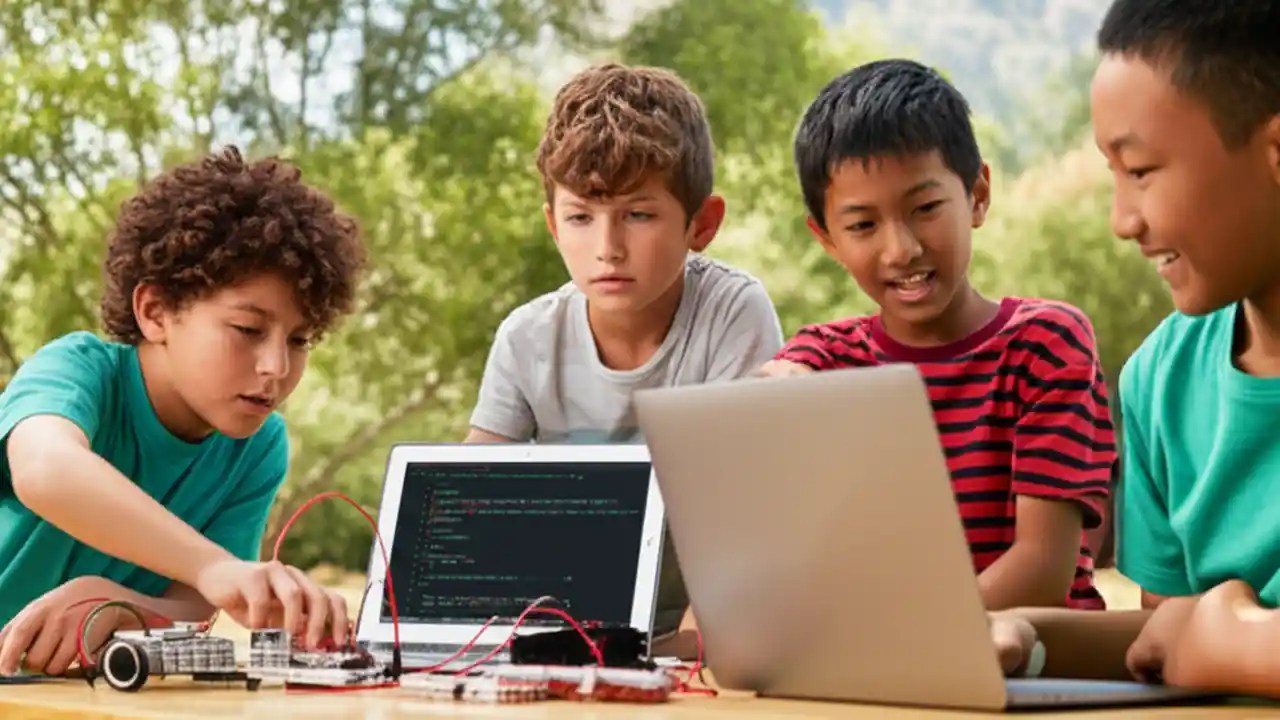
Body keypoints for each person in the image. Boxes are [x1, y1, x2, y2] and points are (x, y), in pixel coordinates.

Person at [992, 0, 1280, 692]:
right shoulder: (1159, 378)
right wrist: (1031, 636)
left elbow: (1216, 641)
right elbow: (1173, 638)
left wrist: (1240, 647)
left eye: (1143, 170)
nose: (1123, 220)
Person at [759, 59, 1116, 612]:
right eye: (862, 226)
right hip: (878, 672)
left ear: (977, 195)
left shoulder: (1044, 344)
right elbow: (781, 387)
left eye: (924, 208)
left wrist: (908, 640)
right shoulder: (826, 358)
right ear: (826, 238)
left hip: (1030, 662)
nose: (900, 249)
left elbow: (1043, 569)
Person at [0, 147, 366, 677]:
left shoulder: (258, 447)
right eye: (247, 330)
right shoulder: (81, 372)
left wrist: (111, 603)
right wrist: (217, 566)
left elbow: (191, 607)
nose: (276, 366)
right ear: (155, 312)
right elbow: (46, 470)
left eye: (301, 338)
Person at [464, 63, 784, 638]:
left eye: (638, 215)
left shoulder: (733, 313)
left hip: (702, 628)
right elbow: (473, 509)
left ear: (701, 224)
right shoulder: (525, 337)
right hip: (560, 628)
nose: (607, 249)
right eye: (581, 218)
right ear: (553, 226)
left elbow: (750, 515)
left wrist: (693, 648)